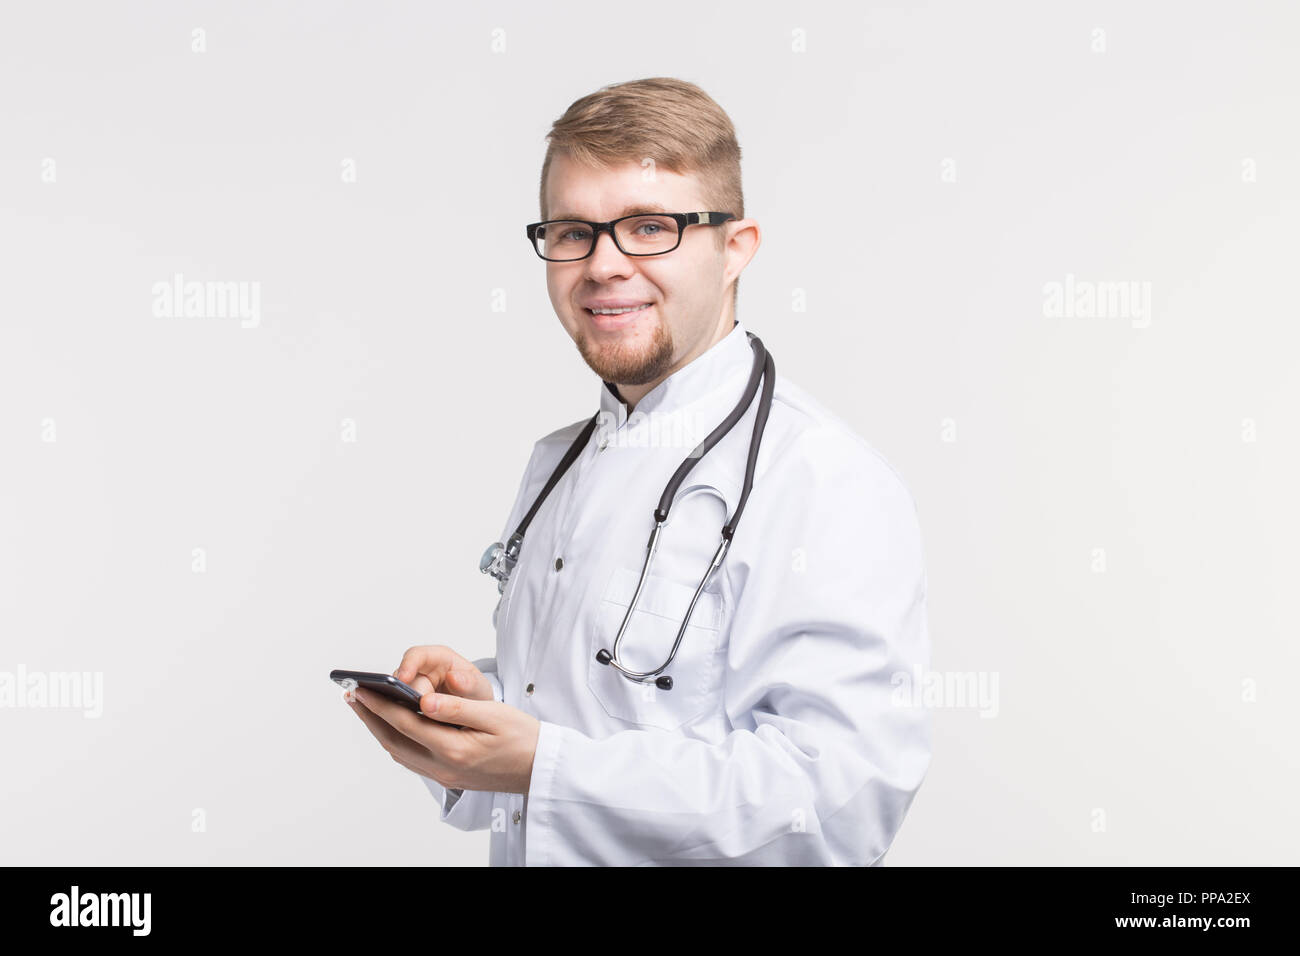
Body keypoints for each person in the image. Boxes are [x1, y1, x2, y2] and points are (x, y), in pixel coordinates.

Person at [346, 77, 931, 866]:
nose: (603, 265)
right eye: (572, 231)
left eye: (649, 227)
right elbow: (590, 717)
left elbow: (830, 810)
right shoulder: (558, 460)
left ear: (736, 248)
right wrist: (481, 711)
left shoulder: (823, 480)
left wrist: (542, 764)